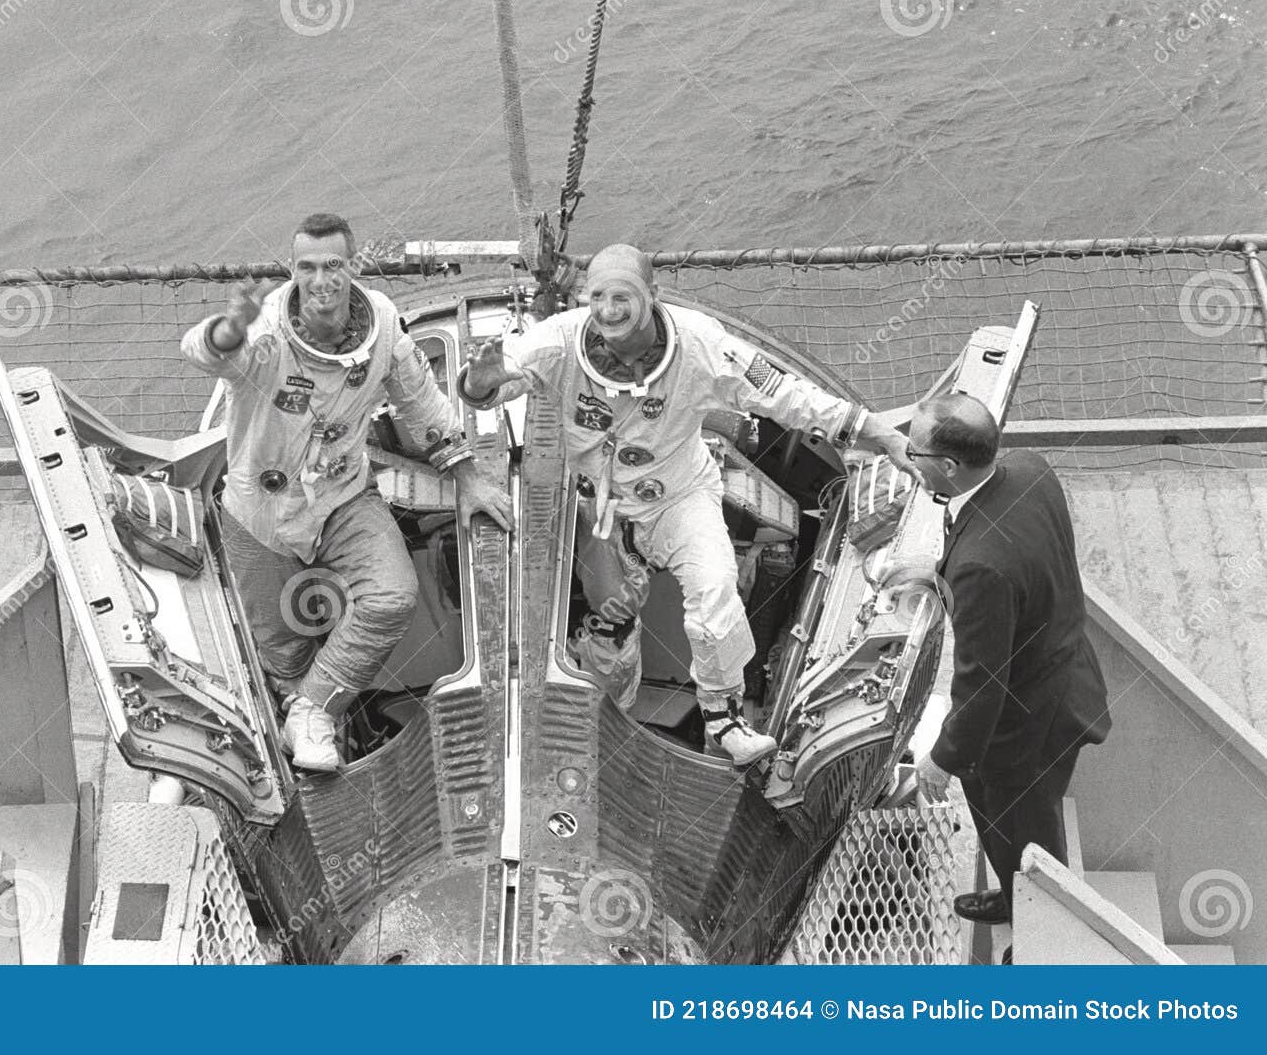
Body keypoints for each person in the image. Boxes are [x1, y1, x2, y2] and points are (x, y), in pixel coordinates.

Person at [459, 243, 914, 764]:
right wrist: (481, 380)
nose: (608, 310)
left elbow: (789, 396)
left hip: (680, 494)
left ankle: (722, 717)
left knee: (715, 588)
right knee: (609, 622)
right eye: (598, 296)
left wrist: (877, 432)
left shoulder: (700, 345)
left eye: (623, 296)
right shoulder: (560, 341)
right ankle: (611, 719)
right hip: (601, 505)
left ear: (652, 296)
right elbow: (495, 384)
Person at [182, 212, 512, 771]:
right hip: (261, 513)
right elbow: (205, 351)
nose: (320, 281)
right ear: (292, 271)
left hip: (344, 496)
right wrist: (226, 329)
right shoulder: (263, 333)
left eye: (333, 265)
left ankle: (313, 711)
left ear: (353, 266)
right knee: (281, 648)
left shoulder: (381, 323)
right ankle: (299, 718)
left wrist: (467, 477)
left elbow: (420, 400)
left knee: (391, 596)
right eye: (306, 267)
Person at [911, 393, 1111, 924]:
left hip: (1027, 724)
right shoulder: (1030, 470)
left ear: (949, 466)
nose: (910, 463)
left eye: (915, 455)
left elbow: (981, 685)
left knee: (1022, 832)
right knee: (1024, 823)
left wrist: (942, 759)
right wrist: (936, 573)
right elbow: (1016, 552)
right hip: (1068, 677)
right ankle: (1012, 897)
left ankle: (1035, 924)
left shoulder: (980, 568)